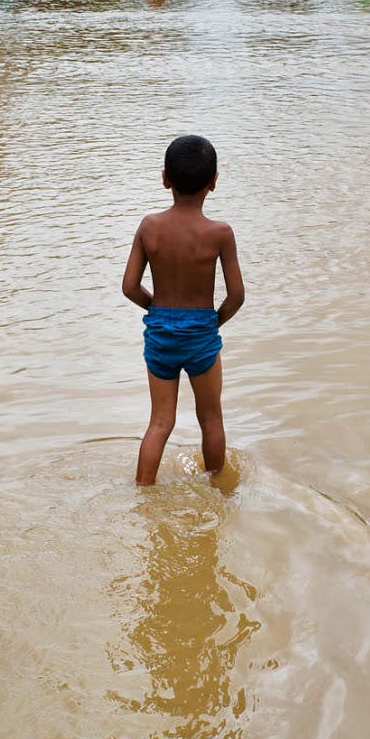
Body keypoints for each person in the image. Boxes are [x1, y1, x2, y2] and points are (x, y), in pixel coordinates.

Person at [121, 135, 245, 486]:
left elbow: (129, 287)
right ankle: (218, 488)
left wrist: (157, 310)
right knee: (211, 419)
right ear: (214, 181)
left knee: (160, 422)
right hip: (202, 334)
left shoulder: (149, 227)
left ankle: (143, 490)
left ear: (165, 178)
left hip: (160, 333)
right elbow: (236, 296)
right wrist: (211, 324)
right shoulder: (220, 233)